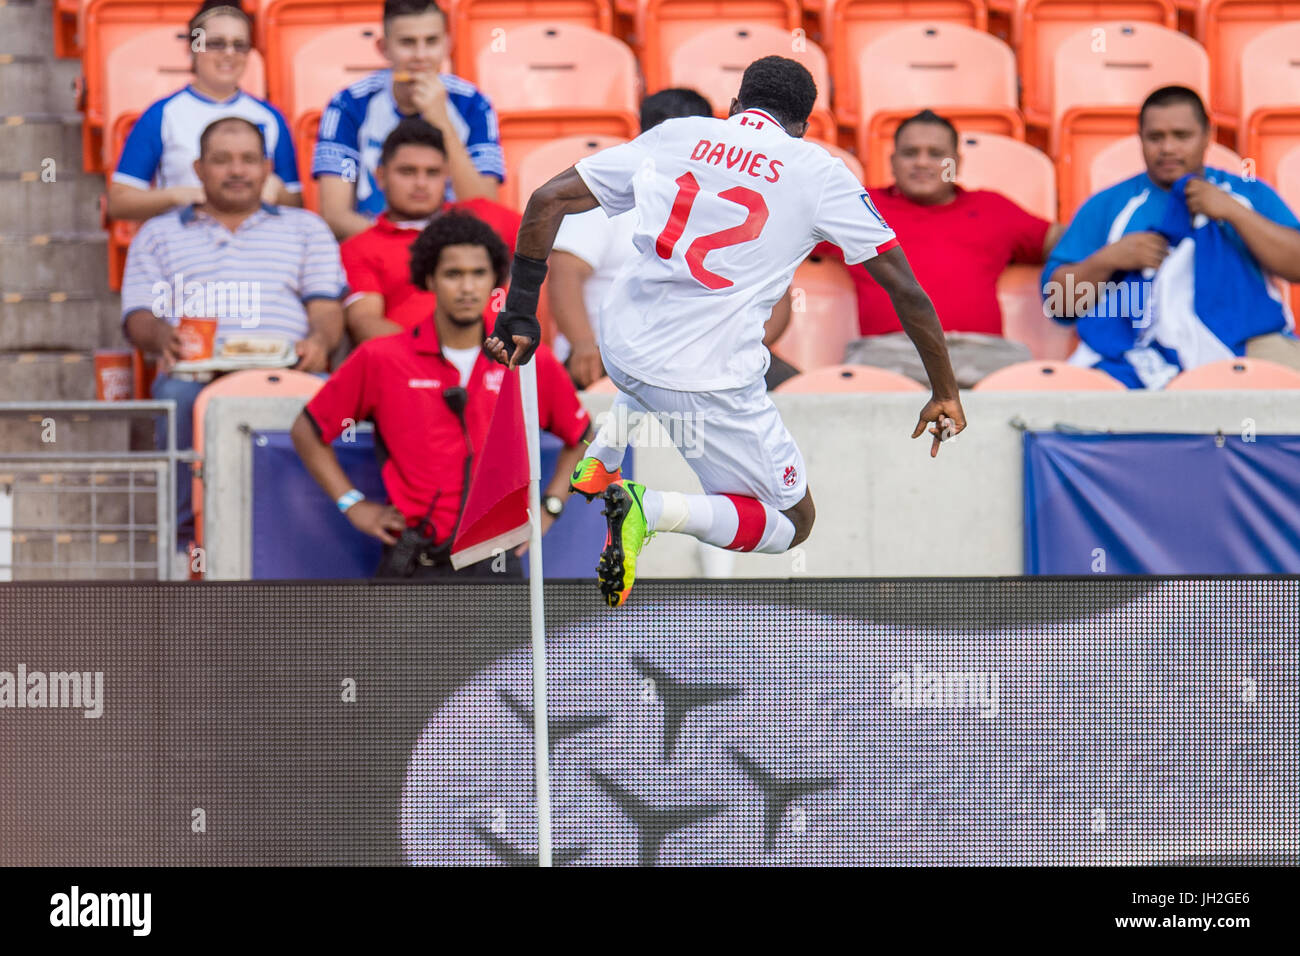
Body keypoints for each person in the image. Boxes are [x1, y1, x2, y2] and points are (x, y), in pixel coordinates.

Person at [483, 56, 966, 608]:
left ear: (734, 108)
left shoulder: (677, 134)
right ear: (803, 127)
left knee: (657, 344)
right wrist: (944, 390)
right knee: (791, 521)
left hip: (619, 341)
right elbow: (905, 290)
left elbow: (548, 199)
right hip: (703, 378)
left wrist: (520, 310)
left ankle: (605, 454)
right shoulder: (818, 171)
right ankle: (651, 509)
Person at [293, 212, 591, 579]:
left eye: (478, 273)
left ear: (495, 281)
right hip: (413, 565)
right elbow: (307, 430)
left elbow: (584, 438)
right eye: (453, 274)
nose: (467, 287)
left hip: (497, 564)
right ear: (429, 279)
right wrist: (353, 504)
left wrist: (551, 506)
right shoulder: (381, 358)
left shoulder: (529, 359)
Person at [122, 117, 346, 554]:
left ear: (266, 169)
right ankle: (187, 546)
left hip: (288, 368)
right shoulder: (158, 234)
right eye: (222, 160)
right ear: (199, 169)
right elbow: (137, 317)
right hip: (197, 373)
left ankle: (320, 535)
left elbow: (325, 308)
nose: (236, 171)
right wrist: (160, 334)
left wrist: (319, 340)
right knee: (176, 397)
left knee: (328, 399)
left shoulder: (306, 228)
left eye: (248, 160)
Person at [1043, 85, 1300, 388]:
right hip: (1135, 349)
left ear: (1208, 135)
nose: (1167, 148)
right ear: (1139, 139)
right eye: (1155, 137)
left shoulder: (1247, 194)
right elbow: (1058, 304)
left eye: (1181, 136)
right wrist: (1110, 258)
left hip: (1251, 344)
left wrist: (1234, 213)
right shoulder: (1109, 204)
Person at [550, 88, 799, 392]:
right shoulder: (606, 196)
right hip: (613, 357)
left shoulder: (736, 202)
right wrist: (583, 344)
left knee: (809, 398)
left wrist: (735, 352)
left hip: (715, 362)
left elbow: (777, 302)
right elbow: (564, 273)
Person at [839, 109, 1063, 388]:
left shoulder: (992, 208)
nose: (922, 162)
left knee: (1033, 394)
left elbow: (1065, 241)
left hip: (983, 355)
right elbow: (784, 231)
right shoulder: (859, 207)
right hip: (888, 355)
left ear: (956, 162)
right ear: (893, 162)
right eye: (910, 153)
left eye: (935, 154)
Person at [313, 0, 503, 240]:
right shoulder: (348, 105)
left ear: (448, 44)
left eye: (431, 41)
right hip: (377, 247)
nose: (420, 56)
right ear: (383, 48)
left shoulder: (474, 104)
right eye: (407, 43)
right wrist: (404, 249)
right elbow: (335, 215)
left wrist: (442, 122)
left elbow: (485, 211)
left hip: (454, 252)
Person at [107, 0, 301, 221]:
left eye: (240, 45)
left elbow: (296, 204)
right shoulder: (163, 114)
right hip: (186, 240)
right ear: (194, 46)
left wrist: (276, 190)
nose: (230, 53)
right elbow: (119, 202)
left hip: (257, 243)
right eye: (217, 43)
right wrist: (178, 196)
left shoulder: (271, 117)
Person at [340, 118, 521, 343]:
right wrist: (434, 359)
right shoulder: (358, 247)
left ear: (446, 175)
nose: (421, 183)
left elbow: (552, 242)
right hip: (415, 370)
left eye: (432, 172)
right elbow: (365, 323)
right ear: (380, 176)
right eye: (407, 172)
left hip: (502, 359)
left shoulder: (483, 215)